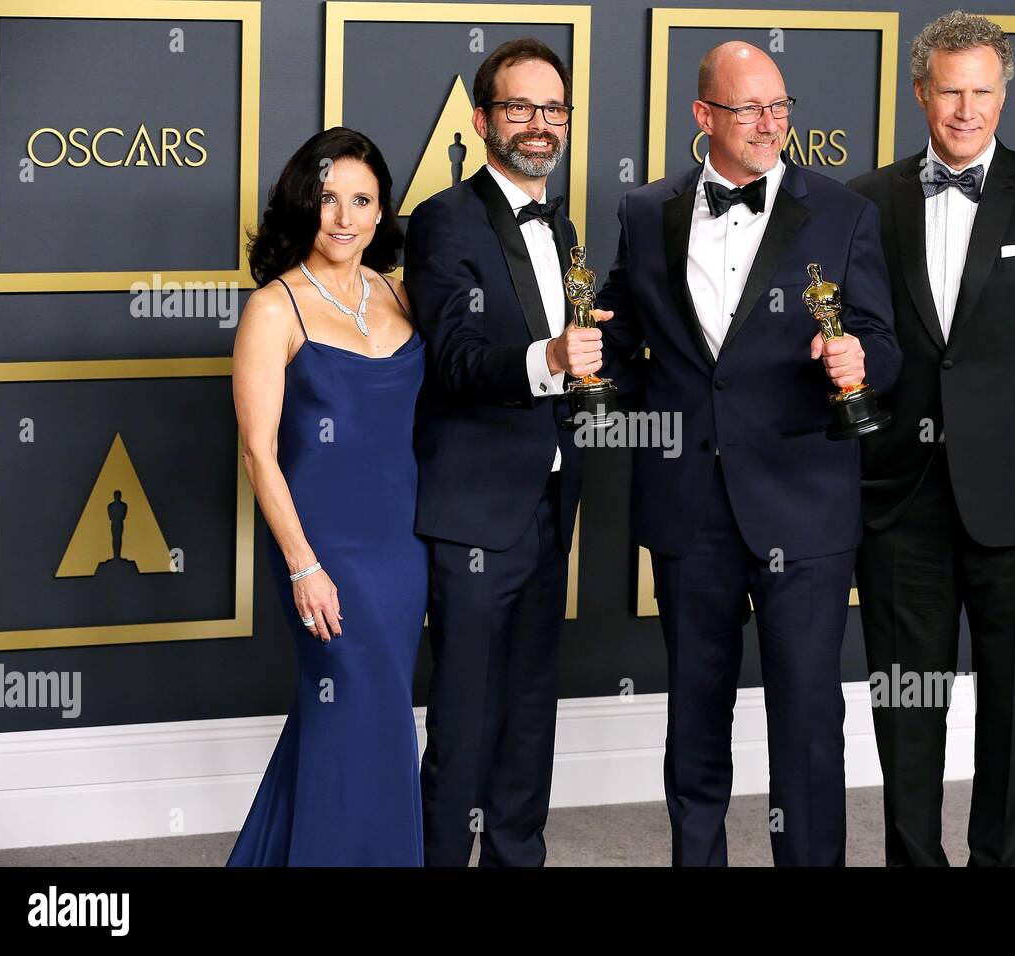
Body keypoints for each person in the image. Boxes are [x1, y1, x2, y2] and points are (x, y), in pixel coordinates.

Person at [596, 41, 900, 866]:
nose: (770, 125)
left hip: (803, 500)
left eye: (779, 107)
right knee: (694, 714)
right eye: (748, 110)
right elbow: (622, 338)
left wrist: (861, 359)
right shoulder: (643, 210)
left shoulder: (843, 211)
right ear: (703, 117)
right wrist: (582, 359)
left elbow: (881, 337)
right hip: (690, 499)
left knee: (807, 715)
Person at [847, 11, 1015, 866]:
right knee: (907, 717)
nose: (967, 110)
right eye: (951, 91)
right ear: (921, 91)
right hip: (902, 507)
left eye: (984, 92)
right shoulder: (867, 201)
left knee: (1014, 713)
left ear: (1004, 94)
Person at [405, 38, 604, 866]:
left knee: (529, 710)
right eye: (519, 107)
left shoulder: (563, 223)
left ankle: (520, 855)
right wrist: (550, 359)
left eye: (552, 109)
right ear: (483, 120)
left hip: (550, 502)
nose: (539, 124)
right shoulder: (445, 219)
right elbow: (453, 361)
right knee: (466, 714)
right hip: (474, 511)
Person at [227, 127, 426, 866]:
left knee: (348, 722)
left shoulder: (400, 293)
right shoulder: (273, 310)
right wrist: (304, 564)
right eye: (326, 199)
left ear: (381, 214)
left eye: (361, 200)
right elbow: (258, 452)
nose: (343, 217)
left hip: (402, 550)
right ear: (300, 206)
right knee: (358, 714)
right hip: (323, 551)